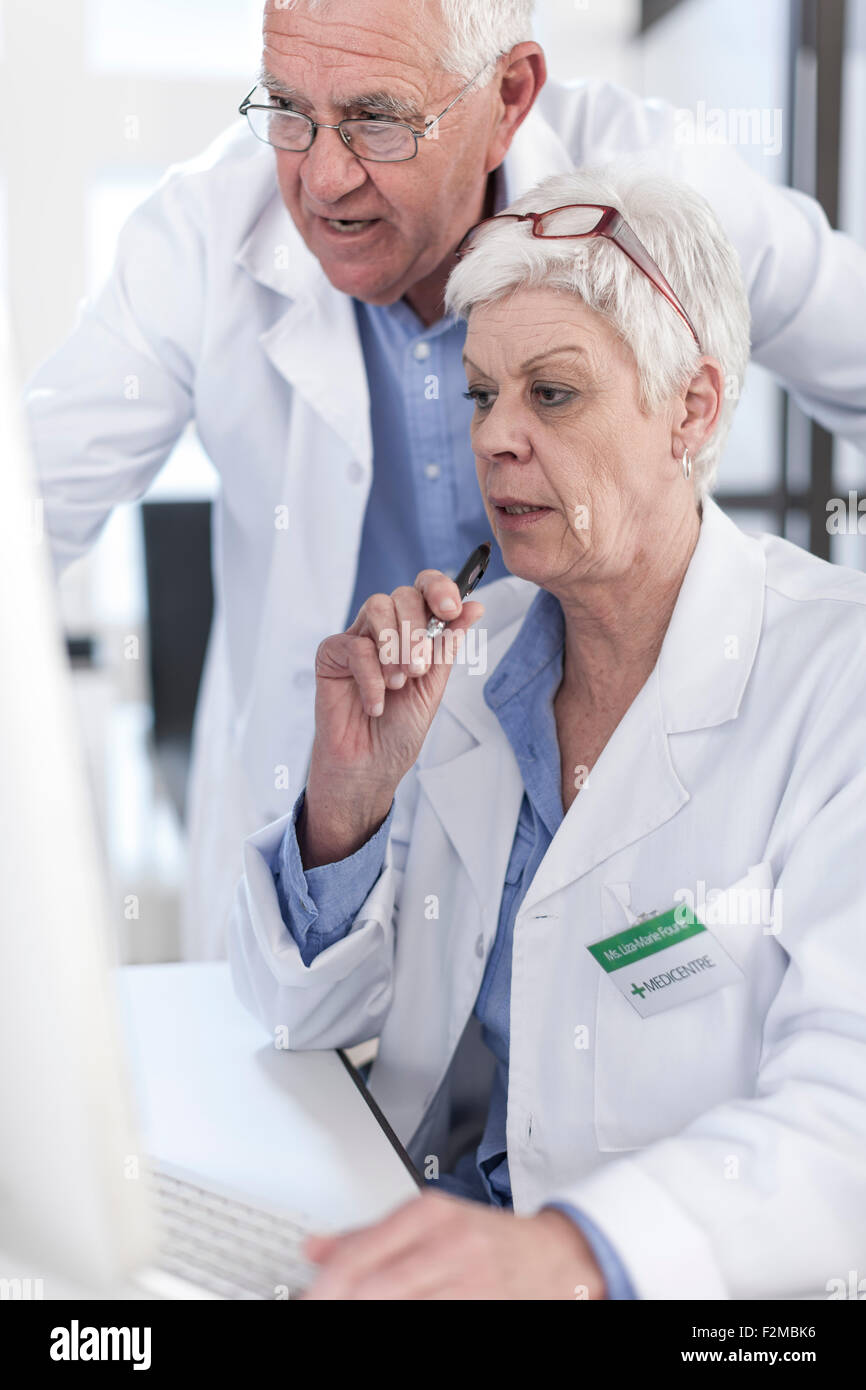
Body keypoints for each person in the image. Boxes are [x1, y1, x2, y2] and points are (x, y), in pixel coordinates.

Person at [24, 0, 866, 958]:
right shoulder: (201, 237)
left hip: (599, 799)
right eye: (289, 110)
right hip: (339, 818)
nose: (324, 176)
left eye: (380, 119)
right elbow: (29, 508)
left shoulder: (654, 195)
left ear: (510, 96)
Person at [230, 166, 866, 1300]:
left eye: (551, 394)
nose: (496, 439)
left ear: (693, 409)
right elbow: (306, 1018)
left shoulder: (835, 680)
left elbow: (843, 1126)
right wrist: (347, 804)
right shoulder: (472, 660)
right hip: (407, 1243)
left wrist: (574, 1256)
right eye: (479, 395)